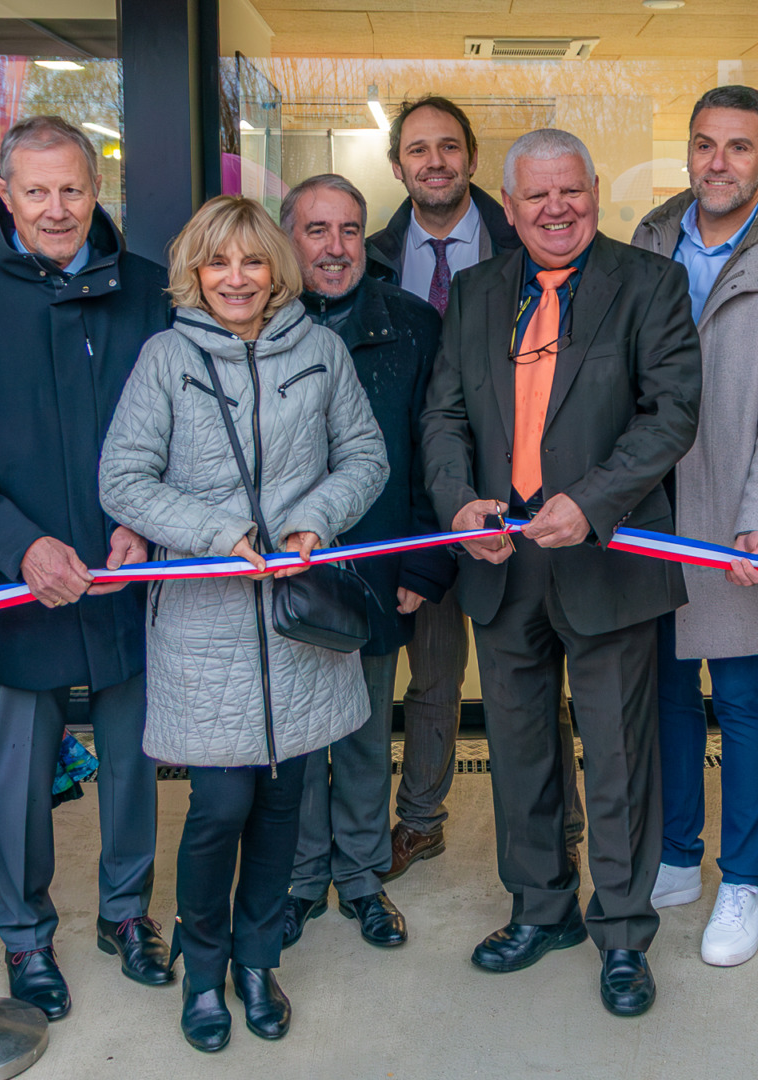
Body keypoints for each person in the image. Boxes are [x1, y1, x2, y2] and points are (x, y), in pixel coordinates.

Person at [419, 128, 702, 1017]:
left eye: (571, 191)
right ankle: (541, 909)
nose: (555, 209)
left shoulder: (650, 284)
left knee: (618, 758)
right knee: (517, 751)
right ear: (510, 207)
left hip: (605, 556)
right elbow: (443, 416)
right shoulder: (473, 293)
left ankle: (622, 932)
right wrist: (460, 502)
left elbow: (671, 414)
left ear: (593, 192)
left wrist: (593, 500)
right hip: (501, 564)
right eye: (537, 196)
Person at [98, 195, 388, 1052]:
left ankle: (259, 963)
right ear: (195, 271)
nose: (236, 278)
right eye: (219, 263)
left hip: (299, 624)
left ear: (276, 272)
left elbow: (365, 457)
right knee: (219, 805)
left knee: (281, 806)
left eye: (253, 262)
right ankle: (204, 969)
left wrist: (316, 522)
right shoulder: (165, 358)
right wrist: (217, 535)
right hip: (205, 622)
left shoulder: (322, 351)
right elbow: (125, 480)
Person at [0, 115, 173, 1020]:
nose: (57, 210)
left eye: (73, 189)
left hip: (132, 573)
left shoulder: (149, 289)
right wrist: (20, 545)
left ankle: (128, 914)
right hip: (24, 577)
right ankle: (23, 936)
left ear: (97, 190)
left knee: (137, 756)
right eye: (37, 191)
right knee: (18, 770)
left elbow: (182, 422)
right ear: (3, 193)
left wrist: (143, 519)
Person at [629, 83, 758, 967]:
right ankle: (677, 853)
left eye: (739, 147)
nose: (719, 162)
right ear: (688, 149)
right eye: (705, 144)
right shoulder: (645, 239)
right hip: (648, 501)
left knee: (748, 701)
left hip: (737, 509)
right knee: (668, 694)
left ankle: (742, 878)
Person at [367, 96, 584, 878]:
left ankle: (559, 829)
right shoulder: (373, 252)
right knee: (431, 672)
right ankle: (420, 819)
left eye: (449, 147)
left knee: (532, 678)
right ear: (399, 165)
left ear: (472, 159)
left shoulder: (524, 236)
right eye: (418, 149)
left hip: (523, 507)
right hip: (423, 501)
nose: (435, 162)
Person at [274, 174, 454, 952]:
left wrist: (423, 563)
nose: (336, 247)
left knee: (362, 728)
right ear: (288, 239)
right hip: (283, 567)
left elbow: (434, 447)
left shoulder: (411, 324)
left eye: (350, 230)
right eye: (317, 230)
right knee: (296, 737)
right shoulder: (258, 323)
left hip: (379, 561)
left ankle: (361, 875)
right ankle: (300, 879)